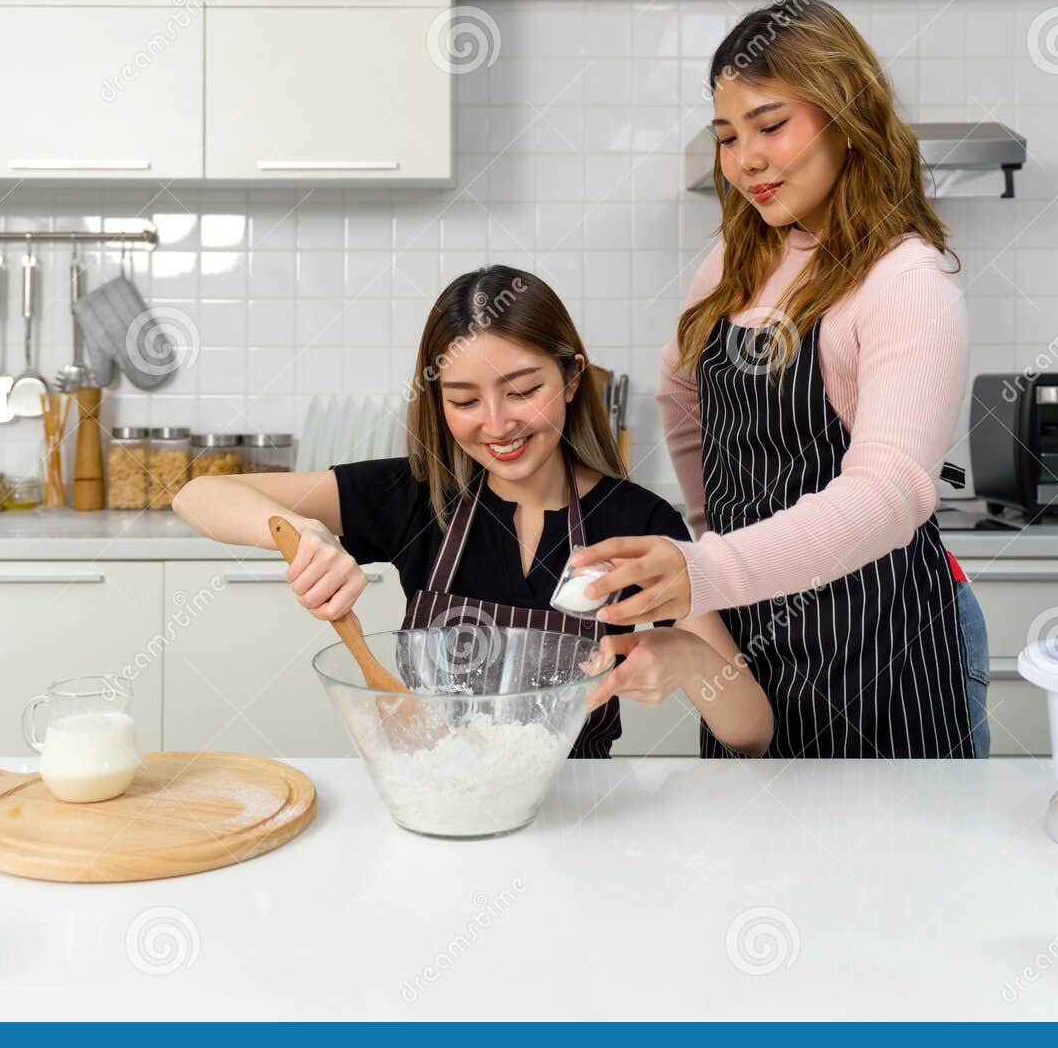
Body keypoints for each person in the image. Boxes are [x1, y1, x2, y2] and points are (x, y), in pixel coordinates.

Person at [572, 0, 991, 759]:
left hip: (879, 645)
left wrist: (708, 566)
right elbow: (680, 393)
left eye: (771, 126)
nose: (746, 161)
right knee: (747, 828)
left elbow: (889, 493)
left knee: (889, 839)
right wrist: (709, 534)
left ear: (848, 116)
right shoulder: (736, 262)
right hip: (746, 637)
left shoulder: (905, 282)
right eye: (727, 137)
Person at [173, 264, 774, 758]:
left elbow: (752, 731)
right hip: (437, 800)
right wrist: (308, 531)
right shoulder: (418, 495)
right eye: (464, 400)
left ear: (572, 379)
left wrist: (689, 661)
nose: (497, 424)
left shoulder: (637, 523)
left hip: (579, 815)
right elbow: (198, 495)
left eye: (523, 391)